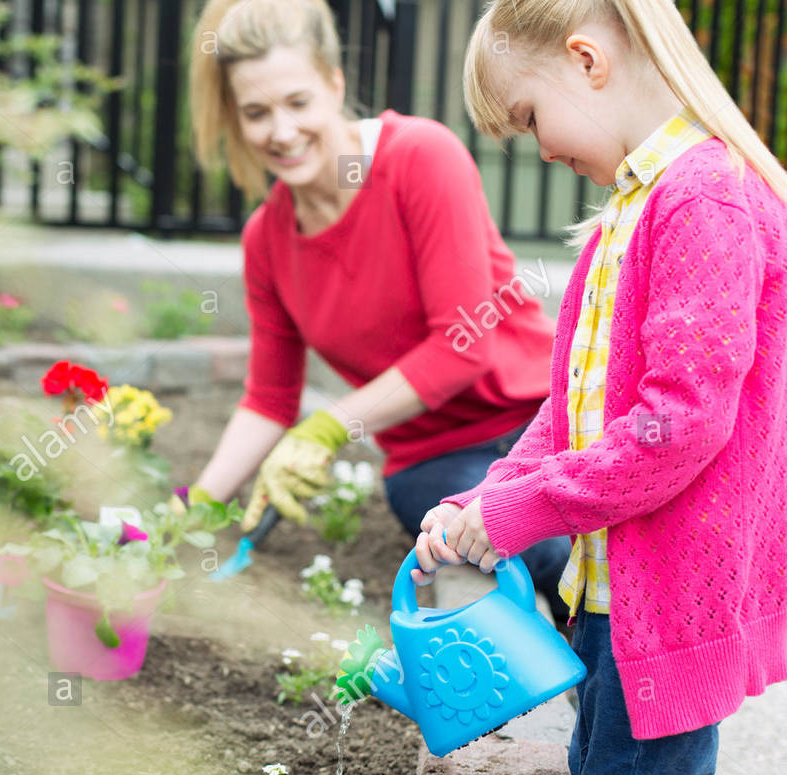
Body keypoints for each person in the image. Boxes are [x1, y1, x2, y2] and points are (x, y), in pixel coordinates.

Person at [413, 0, 787, 775]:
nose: (541, 148)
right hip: (612, 590)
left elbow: (675, 427)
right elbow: (571, 409)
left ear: (586, 60)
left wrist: (519, 514)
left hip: (664, 595)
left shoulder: (704, 201)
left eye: (529, 118)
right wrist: (484, 497)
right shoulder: (626, 213)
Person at [185, 0, 573, 628]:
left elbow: (460, 346)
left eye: (298, 102)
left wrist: (327, 428)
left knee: (573, 552)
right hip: (436, 460)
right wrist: (194, 510)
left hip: (540, 420)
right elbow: (268, 400)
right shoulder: (268, 240)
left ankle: (611, 693)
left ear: (335, 85)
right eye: (256, 113)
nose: (281, 132)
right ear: (235, 117)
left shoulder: (420, 158)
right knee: (539, 547)